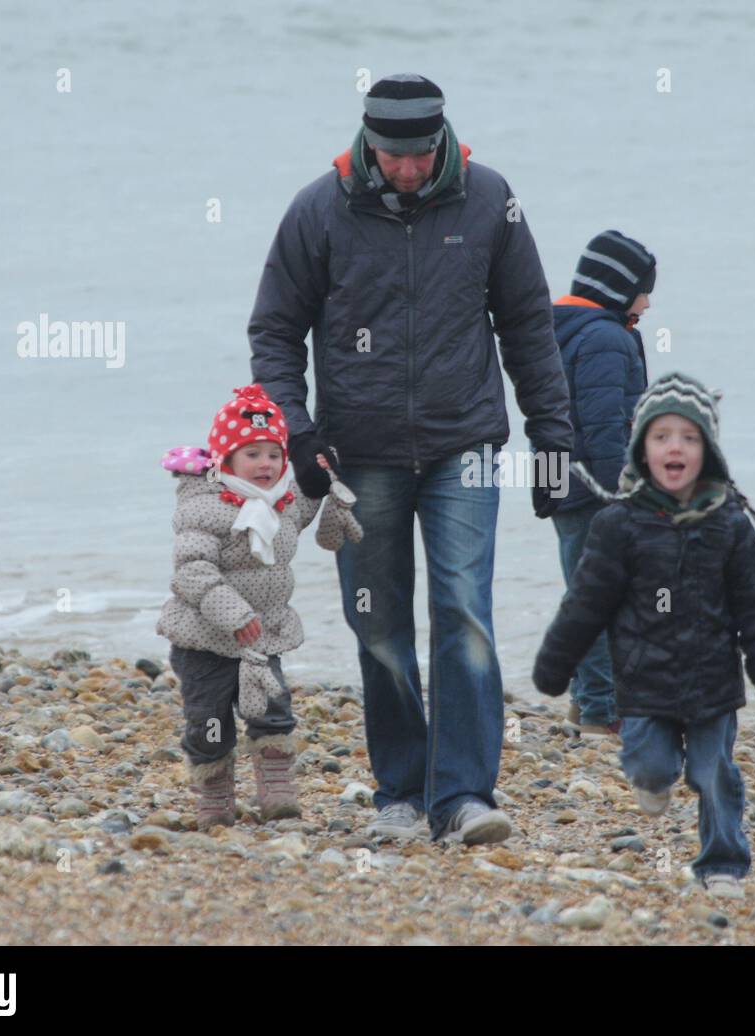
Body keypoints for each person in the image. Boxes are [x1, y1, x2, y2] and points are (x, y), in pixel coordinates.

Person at [248, 73, 573, 844]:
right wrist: (298, 434)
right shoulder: (319, 210)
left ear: (442, 141)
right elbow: (273, 332)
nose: (407, 170)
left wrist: (553, 436)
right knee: (382, 626)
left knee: (464, 614)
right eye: (393, 157)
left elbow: (528, 323)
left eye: (421, 156)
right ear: (369, 142)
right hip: (359, 458)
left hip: (465, 443)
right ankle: (400, 793)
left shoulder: (490, 200)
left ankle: (463, 796)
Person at [532, 372, 755, 895]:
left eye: (689, 438)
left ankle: (722, 864)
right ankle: (651, 781)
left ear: (709, 450)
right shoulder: (617, 525)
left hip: (712, 684)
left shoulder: (730, 523)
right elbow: (585, 604)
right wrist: (556, 665)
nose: (676, 447)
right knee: (651, 768)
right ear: (641, 448)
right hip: (643, 683)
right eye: (662, 437)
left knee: (714, 775)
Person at [155, 384, 325, 830]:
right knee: (208, 723)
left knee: (274, 713)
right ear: (226, 460)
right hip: (206, 641)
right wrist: (234, 614)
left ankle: (279, 793)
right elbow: (191, 571)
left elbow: (307, 505)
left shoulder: (282, 502)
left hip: (262, 637)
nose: (266, 464)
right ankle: (214, 797)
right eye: (252, 454)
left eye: (273, 454)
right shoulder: (205, 505)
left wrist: (323, 477)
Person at [551, 230, 656, 736]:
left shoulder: (574, 329)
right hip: (595, 486)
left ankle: (584, 700)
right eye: (643, 289)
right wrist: (621, 491)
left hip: (565, 482)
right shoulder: (605, 338)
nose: (650, 300)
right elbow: (604, 424)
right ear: (616, 288)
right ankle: (600, 711)